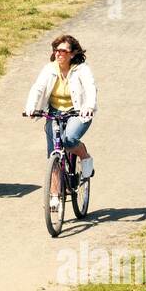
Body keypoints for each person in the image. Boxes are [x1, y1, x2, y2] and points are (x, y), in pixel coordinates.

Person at [24, 34, 96, 216]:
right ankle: (55, 196)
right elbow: (38, 88)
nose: (58, 53)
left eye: (63, 50)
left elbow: (90, 88)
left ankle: (84, 156)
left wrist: (88, 107)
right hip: (54, 113)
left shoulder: (82, 70)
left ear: (72, 54)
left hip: (77, 112)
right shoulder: (50, 69)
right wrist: (31, 107)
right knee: (53, 154)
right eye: (56, 50)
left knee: (69, 139)